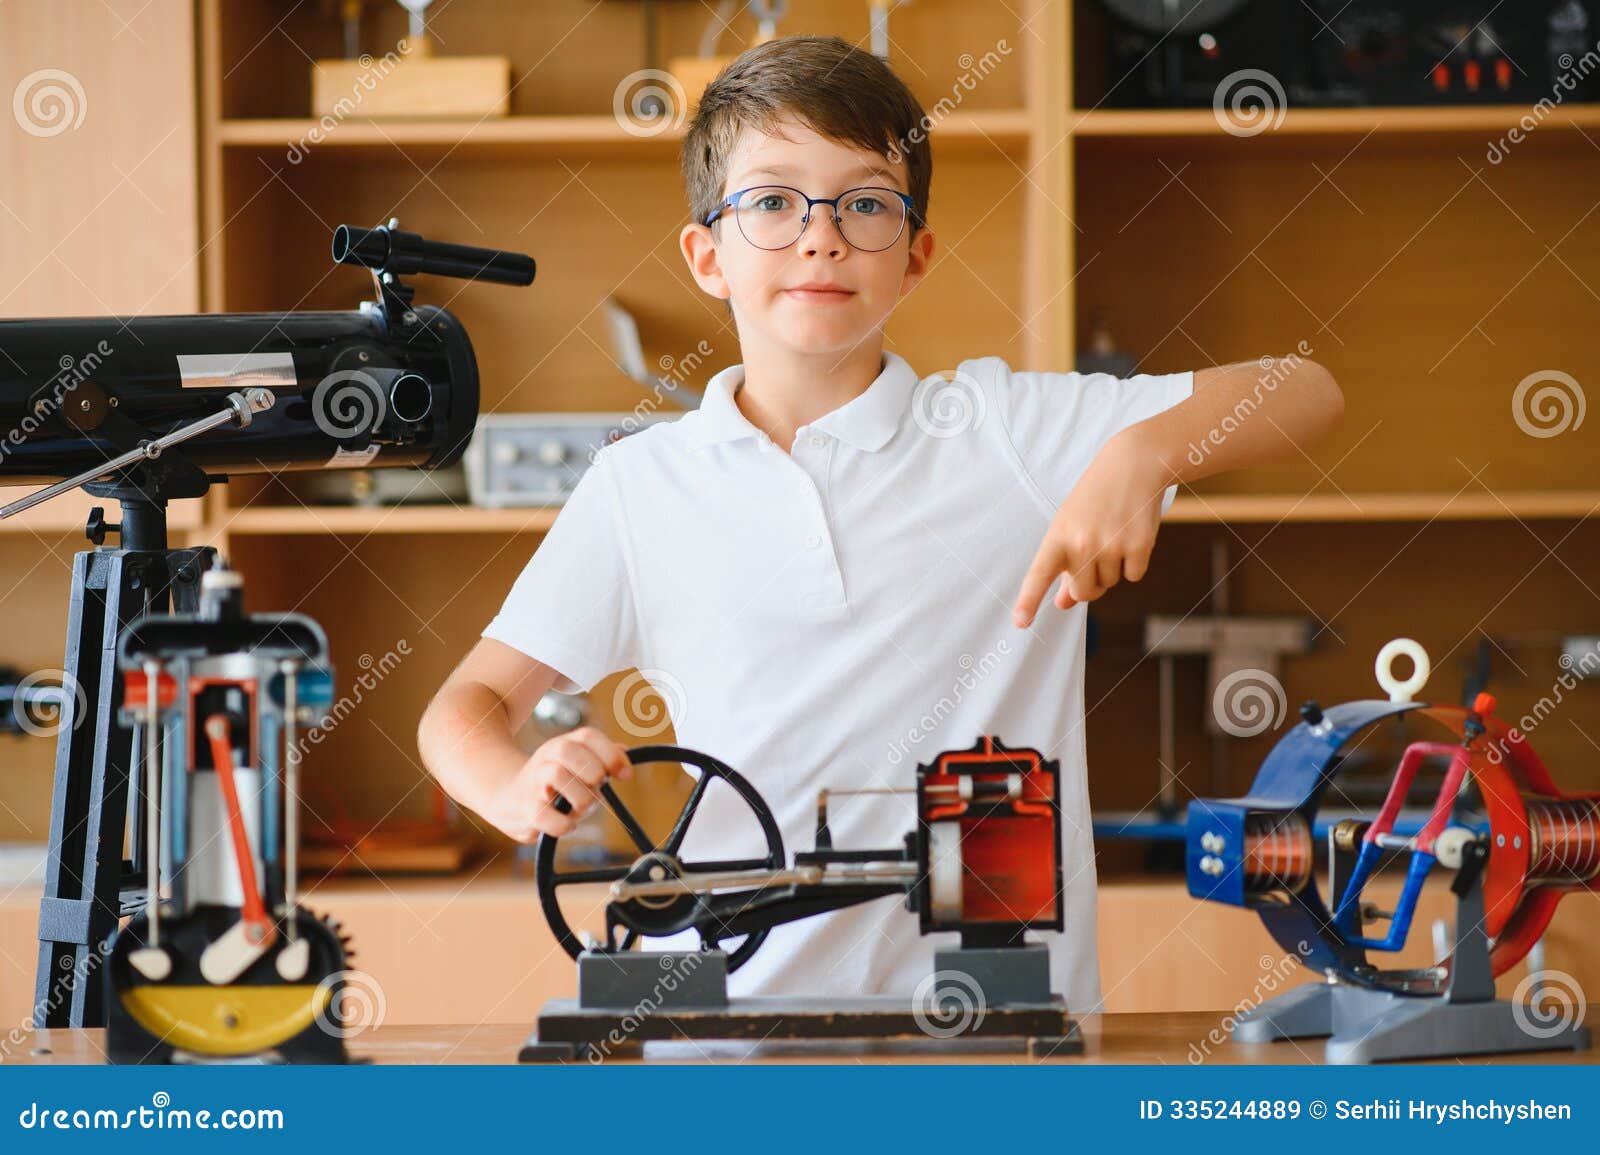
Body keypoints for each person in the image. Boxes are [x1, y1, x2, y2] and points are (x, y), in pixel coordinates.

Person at [418, 35, 1344, 1010]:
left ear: (914, 257)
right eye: (772, 202)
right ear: (706, 255)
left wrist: (1142, 451)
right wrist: (514, 787)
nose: (820, 236)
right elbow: (462, 714)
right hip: (732, 1039)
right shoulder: (639, 487)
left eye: (864, 203)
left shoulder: (1006, 431)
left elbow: (1305, 389)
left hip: (998, 1039)